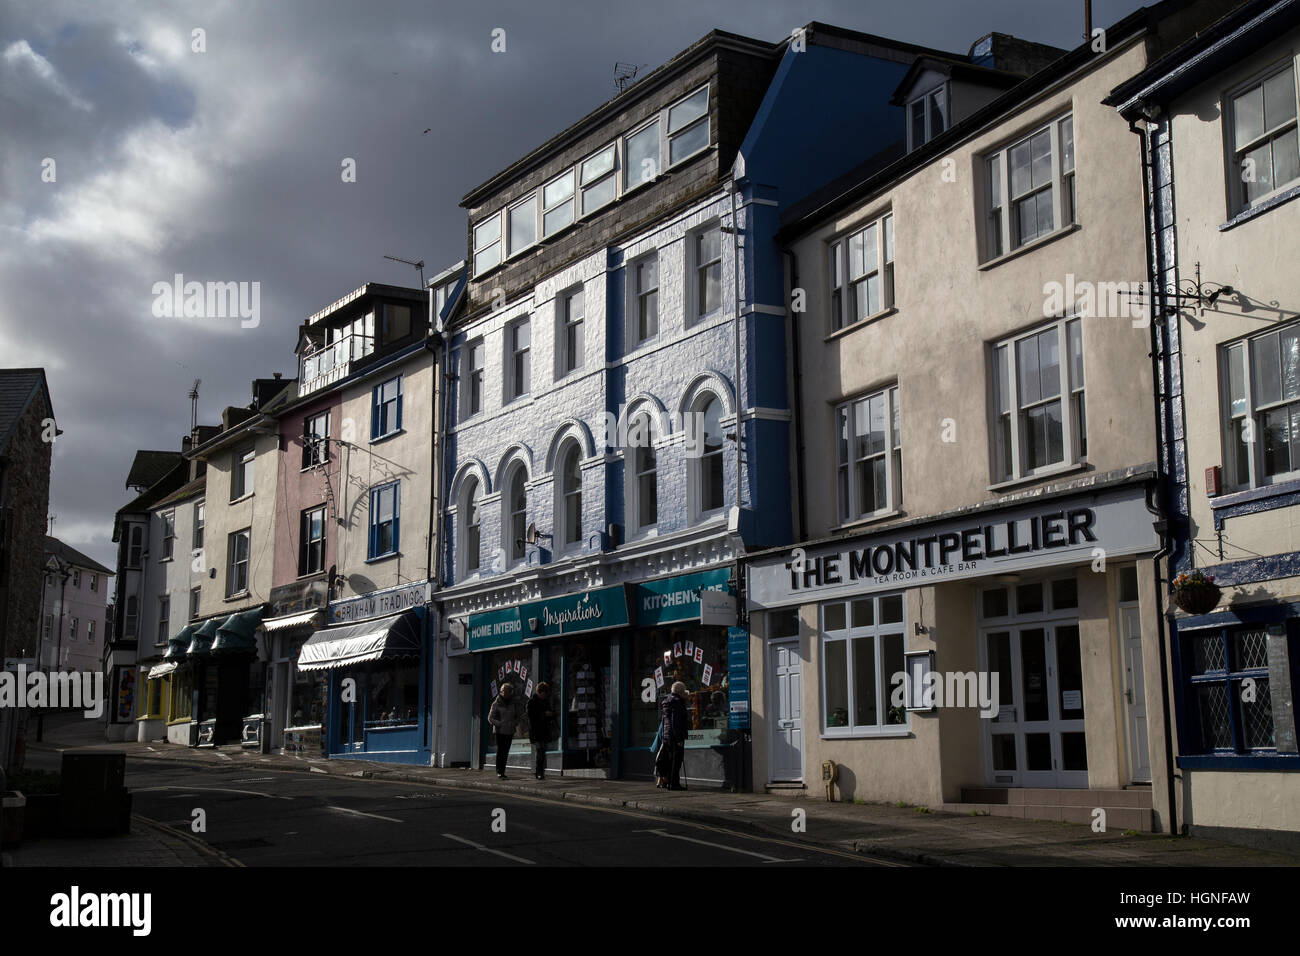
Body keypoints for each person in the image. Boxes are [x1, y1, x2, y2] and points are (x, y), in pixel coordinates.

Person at [487, 682, 525, 778]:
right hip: (500, 731)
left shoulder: (513, 703)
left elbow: (518, 716)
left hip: (510, 731)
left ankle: (502, 771)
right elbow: (490, 718)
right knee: (501, 751)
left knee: (506, 751)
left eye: (508, 691)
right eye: (504, 690)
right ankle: (499, 771)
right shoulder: (496, 703)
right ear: (501, 691)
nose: (506, 692)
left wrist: (514, 723)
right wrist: (499, 724)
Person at [657, 681, 689, 790]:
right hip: (675, 736)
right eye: (684, 691)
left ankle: (669, 782)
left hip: (667, 736)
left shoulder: (667, 701)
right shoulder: (677, 702)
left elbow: (665, 721)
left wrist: (665, 736)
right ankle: (674, 784)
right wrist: (679, 738)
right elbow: (676, 722)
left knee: (670, 761)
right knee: (676, 762)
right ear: (680, 691)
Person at [527, 682, 555, 779]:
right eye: (544, 693)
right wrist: (544, 714)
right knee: (539, 751)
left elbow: (551, 714)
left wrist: (550, 714)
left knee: (543, 752)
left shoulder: (546, 702)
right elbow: (531, 717)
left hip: (544, 731)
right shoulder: (532, 702)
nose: (545, 695)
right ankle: (538, 772)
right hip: (536, 731)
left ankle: (541, 771)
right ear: (540, 692)